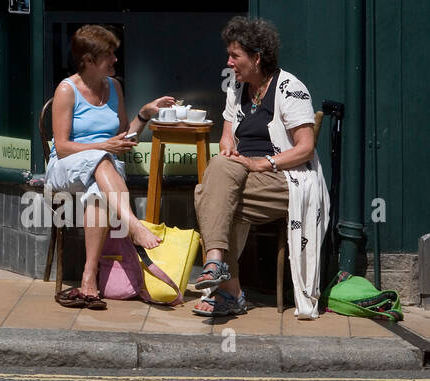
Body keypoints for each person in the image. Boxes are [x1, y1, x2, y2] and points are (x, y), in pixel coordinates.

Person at [193, 17, 330, 318]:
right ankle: (219, 269)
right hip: (242, 171)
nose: (229, 62)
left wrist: (261, 163)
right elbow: (227, 136)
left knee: (209, 196)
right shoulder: (236, 88)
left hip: (285, 176)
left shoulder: (291, 88)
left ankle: (228, 288)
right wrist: (228, 148)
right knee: (219, 172)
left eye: (235, 56)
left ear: (256, 57)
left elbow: (305, 148)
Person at [48, 25, 175, 309]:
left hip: (102, 172)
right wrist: (103, 148)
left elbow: (123, 137)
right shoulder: (67, 90)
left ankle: (89, 277)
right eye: (109, 55)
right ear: (89, 61)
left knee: (99, 192)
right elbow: (63, 145)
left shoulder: (114, 86)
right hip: (66, 165)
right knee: (103, 161)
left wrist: (143, 114)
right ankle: (133, 225)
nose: (116, 60)